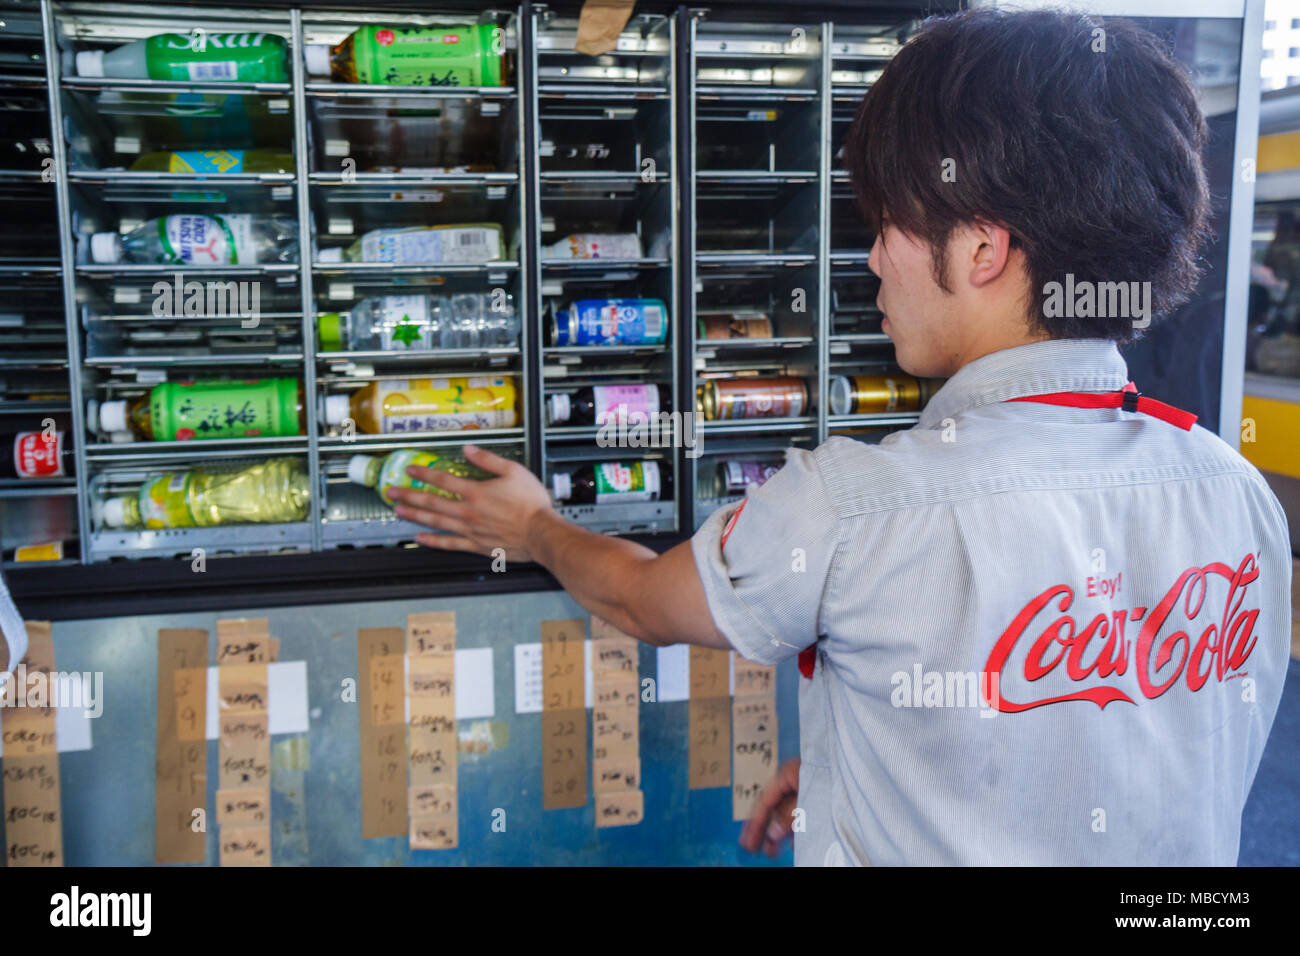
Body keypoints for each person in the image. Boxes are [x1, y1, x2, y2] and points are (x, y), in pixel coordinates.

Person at [388, 8, 1292, 865]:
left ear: (983, 249)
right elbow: (1143, 749)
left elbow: (641, 602)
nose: (871, 258)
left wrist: (532, 526)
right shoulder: (1238, 492)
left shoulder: (858, 505)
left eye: (892, 222)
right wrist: (858, 769)